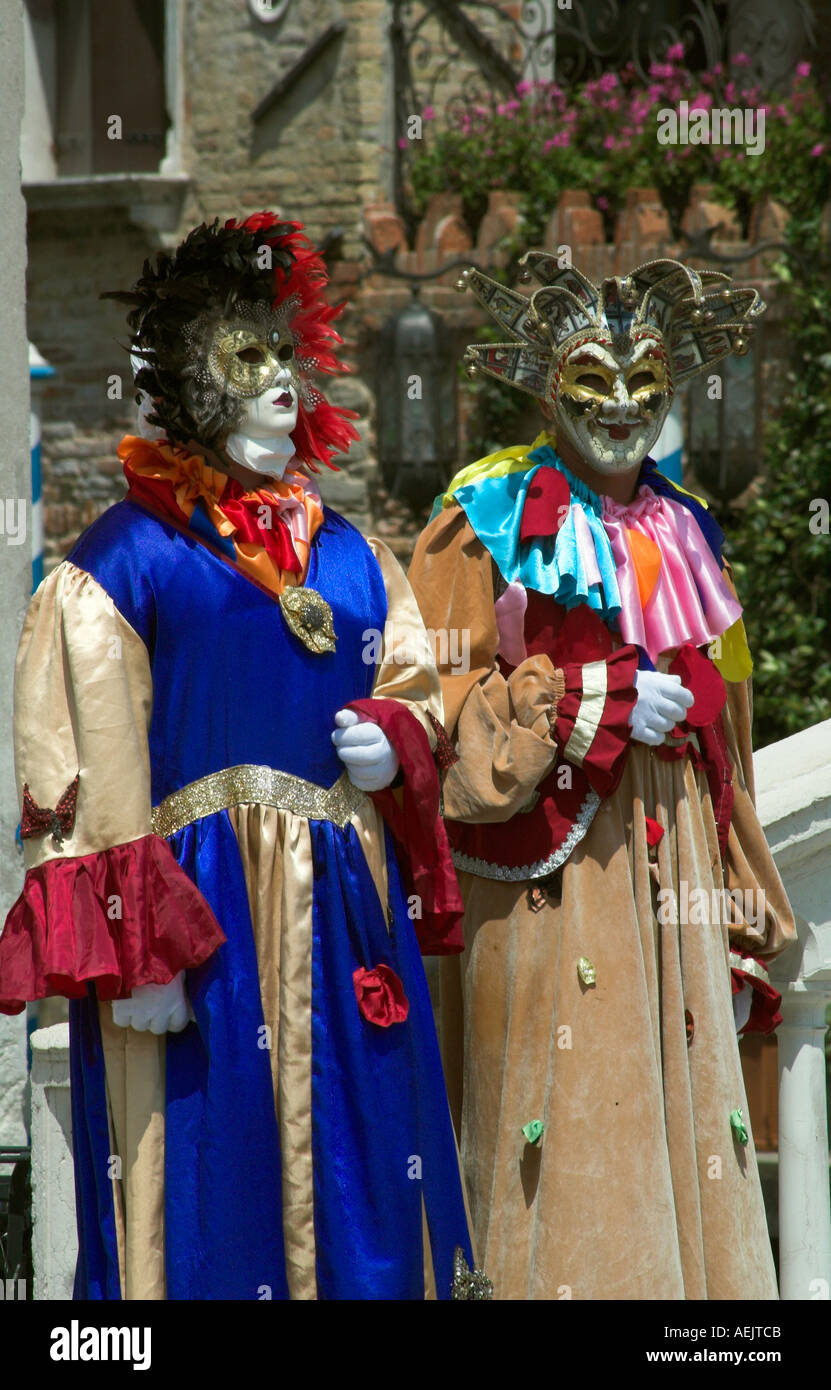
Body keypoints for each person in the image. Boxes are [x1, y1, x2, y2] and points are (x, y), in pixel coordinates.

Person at [0, 213, 480, 1301]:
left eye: (283, 356)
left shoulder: (354, 557)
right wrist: (137, 954)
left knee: (365, 1169)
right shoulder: (124, 559)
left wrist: (390, 741)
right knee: (209, 1175)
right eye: (242, 356)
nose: (277, 381)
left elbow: (415, 690)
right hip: (200, 922)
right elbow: (87, 750)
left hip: (344, 917)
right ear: (187, 380)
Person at [407, 254, 795, 1300]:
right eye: (594, 381)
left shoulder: (688, 525)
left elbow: (734, 733)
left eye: (644, 382)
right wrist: (586, 701)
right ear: (545, 381)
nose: (622, 406)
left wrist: (740, 884)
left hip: (674, 877)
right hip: (549, 881)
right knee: (573, 1133)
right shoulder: (479, 515)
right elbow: (436, 728)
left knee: (679, 1136)